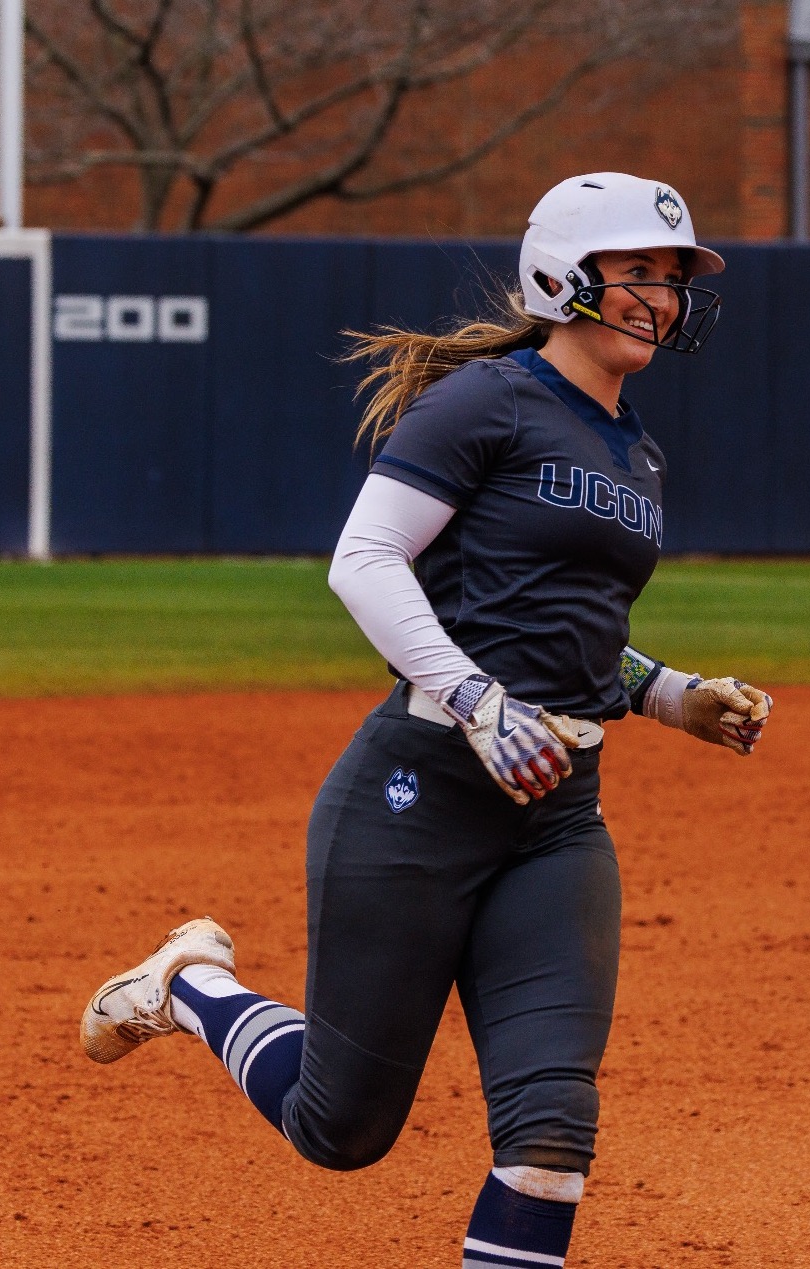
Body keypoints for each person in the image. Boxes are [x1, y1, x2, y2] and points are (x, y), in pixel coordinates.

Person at [80, 173, 772, 1265]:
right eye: (636, 272)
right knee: (340, 1127)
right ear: (564, 277)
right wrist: (475, 701)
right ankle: (189, 988)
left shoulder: (632, 446)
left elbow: (564, 627)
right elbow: (362, 563)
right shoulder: (489, 399)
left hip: (557, 821)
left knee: (552, 1132)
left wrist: (673, 694)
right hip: (421, 792)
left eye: (672, 280)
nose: (661, 298)